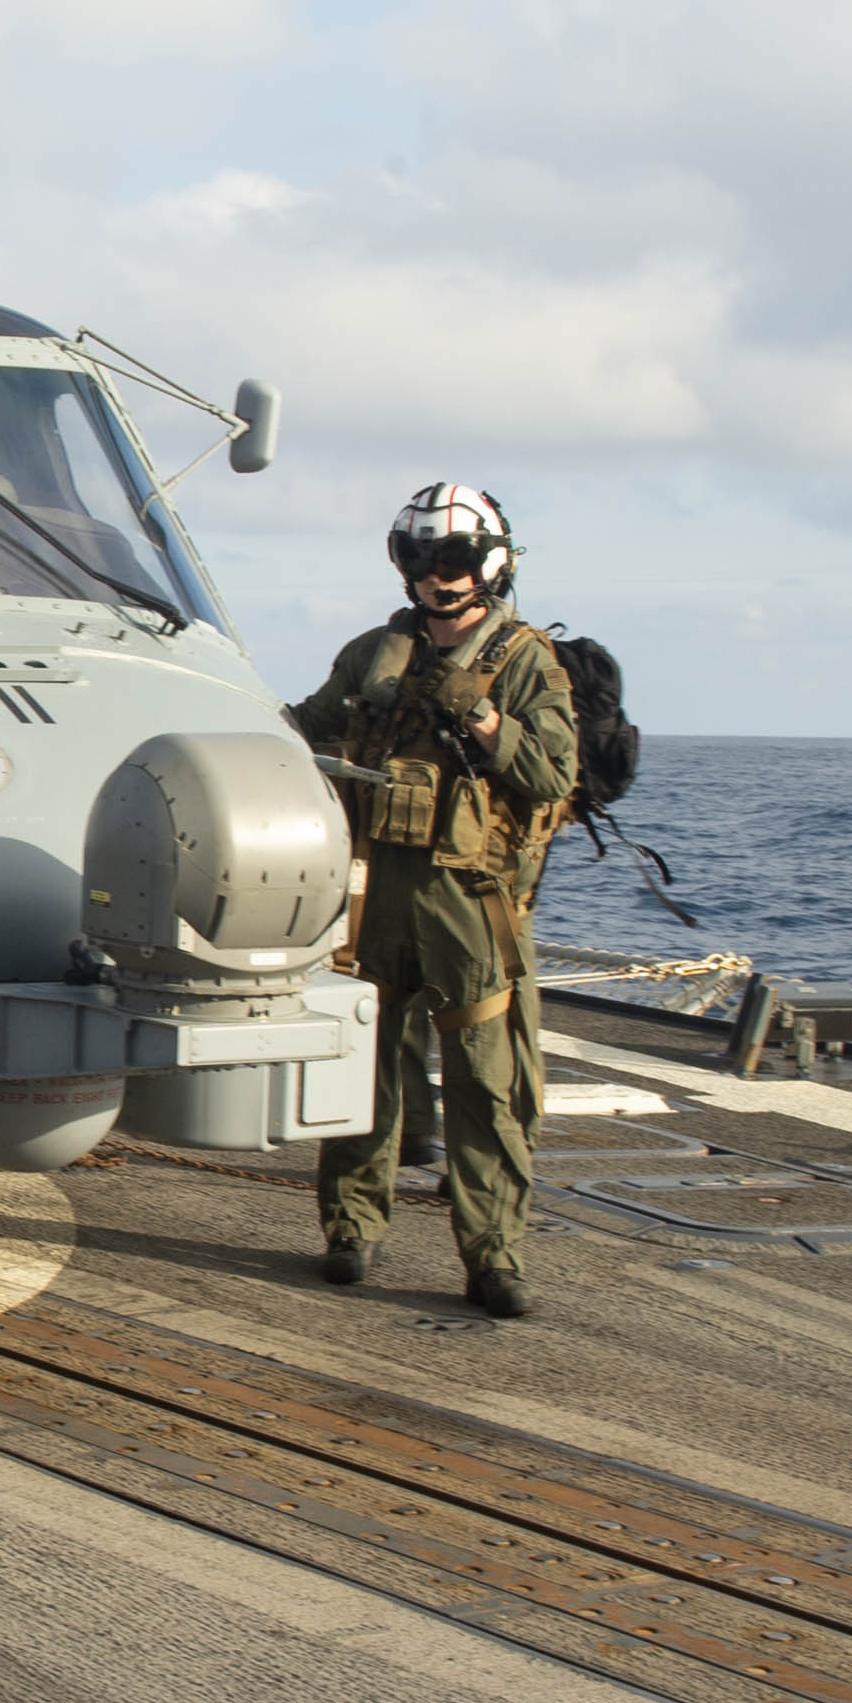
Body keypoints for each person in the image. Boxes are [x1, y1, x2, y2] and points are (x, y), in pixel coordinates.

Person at [293, 482, 579, 1318]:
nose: (435, 576)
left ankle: (492, 1255)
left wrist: (485, 721)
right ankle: (349, 1230)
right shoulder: (369, 656)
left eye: (451, 559)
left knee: (488, 1087)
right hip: (370, 893)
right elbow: (306, 727)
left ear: (488, 564)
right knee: (361, 1069)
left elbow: (551, 775)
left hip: (469, 905)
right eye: (420, 559)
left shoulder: (526, 660)